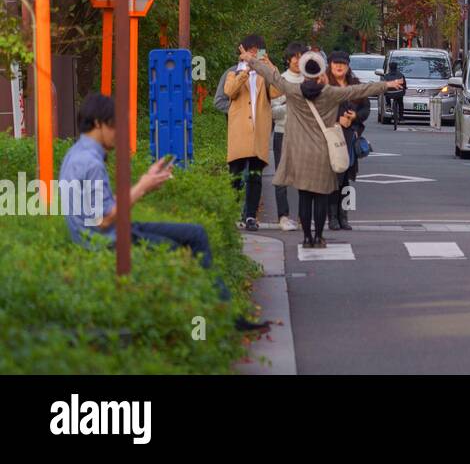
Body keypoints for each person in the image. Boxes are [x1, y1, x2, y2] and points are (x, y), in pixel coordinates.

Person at [57, 93, 269, 332]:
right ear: (98, 123)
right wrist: (143, 186)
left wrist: (145, 183)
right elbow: (103, 219)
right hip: (106, 240)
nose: (118, 132)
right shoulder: (89, 162)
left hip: (112, 231)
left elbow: (98, 209)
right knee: (181, 252)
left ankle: (227, 315)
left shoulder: (77, 155)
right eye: (114, 124)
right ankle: (206, 325)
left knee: (196, 234)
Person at [246, 49, 399, 248]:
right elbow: (358, 91)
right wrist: (387, 85)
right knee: (320, 197)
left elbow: (272, 76)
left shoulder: (293, 90)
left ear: (304, 72)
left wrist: (251, 60)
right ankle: (318, 237)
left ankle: (307, 238)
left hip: (300, 153)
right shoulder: (330, 93)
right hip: (322, 152)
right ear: (321, 72)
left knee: (304, 197)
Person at [225, 34, 280, 231]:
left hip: (258, 133)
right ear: (243, 52)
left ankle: (250, 216)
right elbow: (229, 91)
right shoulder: (233, 72)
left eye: (258, 52)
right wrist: (246, 70)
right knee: (236, 176)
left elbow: (278, 91)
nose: (254, 55)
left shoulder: (266, 76)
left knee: (255, 177)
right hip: (239, 134)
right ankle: (231, 214)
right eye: (251, 52)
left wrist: (269, 65)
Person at [326, 51, 369, 230]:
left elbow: (366, 109)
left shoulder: (355, 85)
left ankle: (344, 217)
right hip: (332, 137)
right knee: (334, 178)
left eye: (343, 63)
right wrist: (337, 118)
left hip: (350, 136)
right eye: (336, 63)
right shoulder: (325, 85)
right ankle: (332, 217)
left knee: (346, 179)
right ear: (329, 65)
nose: (339, 66)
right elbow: (319, 110)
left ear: (348, 66)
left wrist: (355, 117)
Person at [269, 42, 306, 232]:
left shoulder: (311, 80)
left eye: (302, 57)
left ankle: (303, 217)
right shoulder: (280, 80)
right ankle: (283, 216)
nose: (298, 61)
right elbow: (272, 111)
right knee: (281, 176)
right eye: (295, 57)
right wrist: (290, 105)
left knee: (305, 176)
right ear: (288, 59)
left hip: (305, 135)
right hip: (283, 132)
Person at [382, 58, 405, 127]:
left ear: (389, 67)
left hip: (389, 93)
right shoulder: (401, 75)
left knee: (386, 93)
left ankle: (388, 105)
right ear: (396, 67)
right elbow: (404, 84)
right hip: (399, 92)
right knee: (400, 102)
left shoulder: (386, 76)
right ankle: (401, 117)